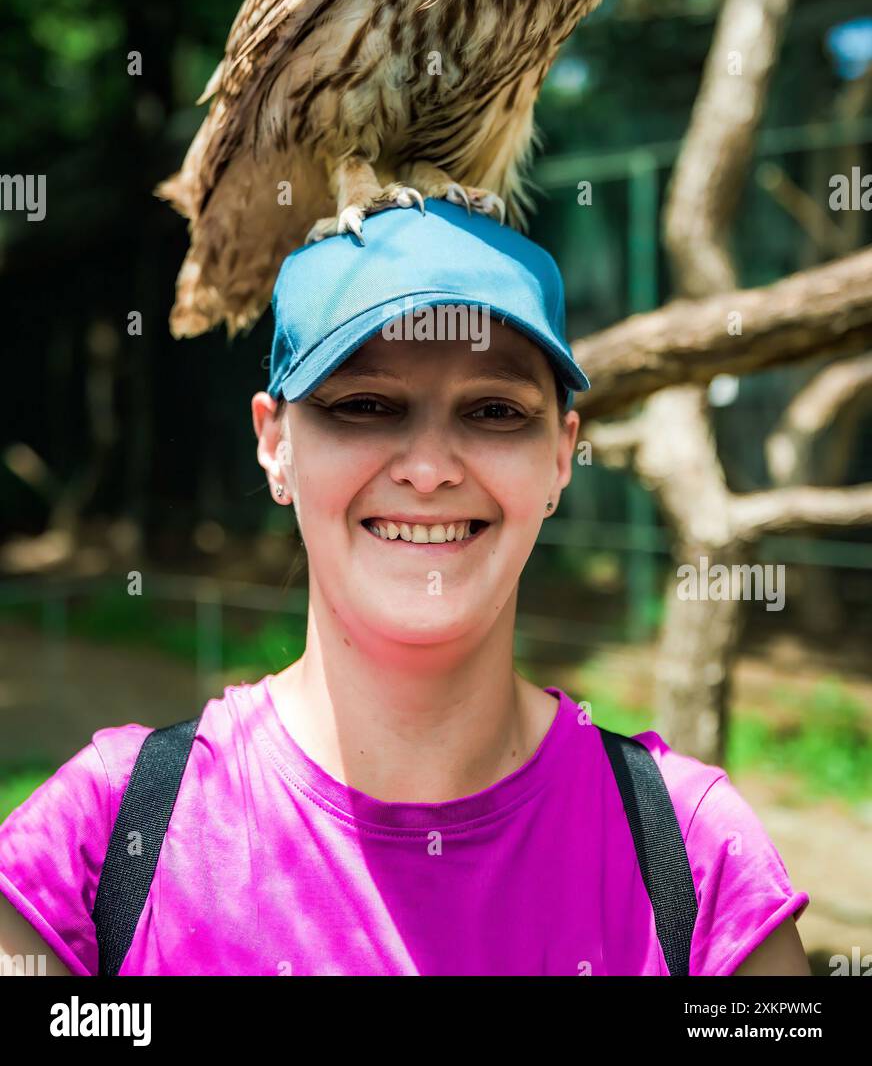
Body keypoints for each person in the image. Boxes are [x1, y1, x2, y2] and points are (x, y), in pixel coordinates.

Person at [0, 198, 810, 976]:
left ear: (563, 455)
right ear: (274, 442)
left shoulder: (696, 861)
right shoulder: (102, 839)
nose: (428, 470)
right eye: (365, 405)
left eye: (493, 410)